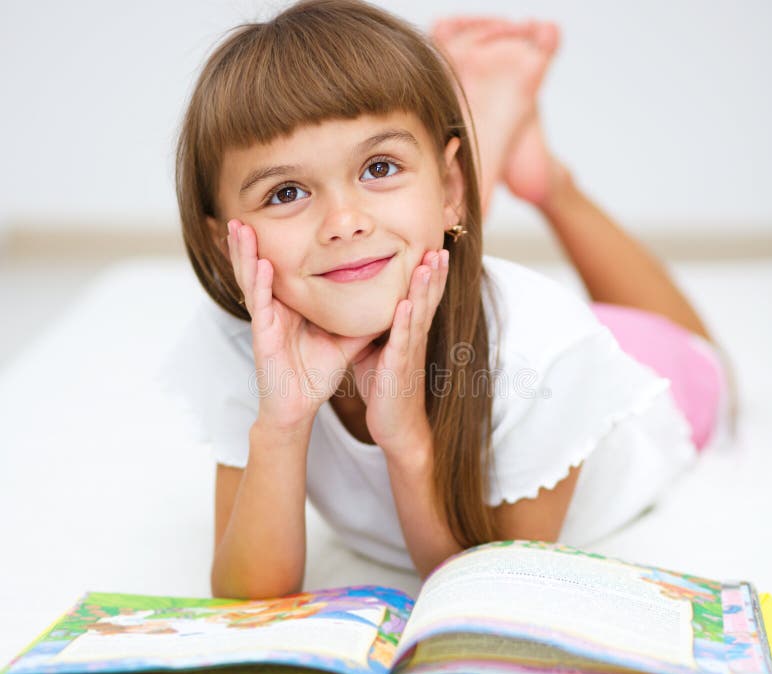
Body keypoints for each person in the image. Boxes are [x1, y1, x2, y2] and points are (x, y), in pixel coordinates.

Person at [163, 0, 732, 599]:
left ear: (452, 183)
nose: (344, 221)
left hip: (659, 381)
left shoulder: (545, 354)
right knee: (402, 243)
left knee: (700, 355)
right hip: (471, 298)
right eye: (285, 193)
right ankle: (478, 138)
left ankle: (547, 182)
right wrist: (282, 424)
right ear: (225, 243)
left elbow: (489, 594)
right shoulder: (245, 340)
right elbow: (249, 598)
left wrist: (407, 441)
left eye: (378, 166)